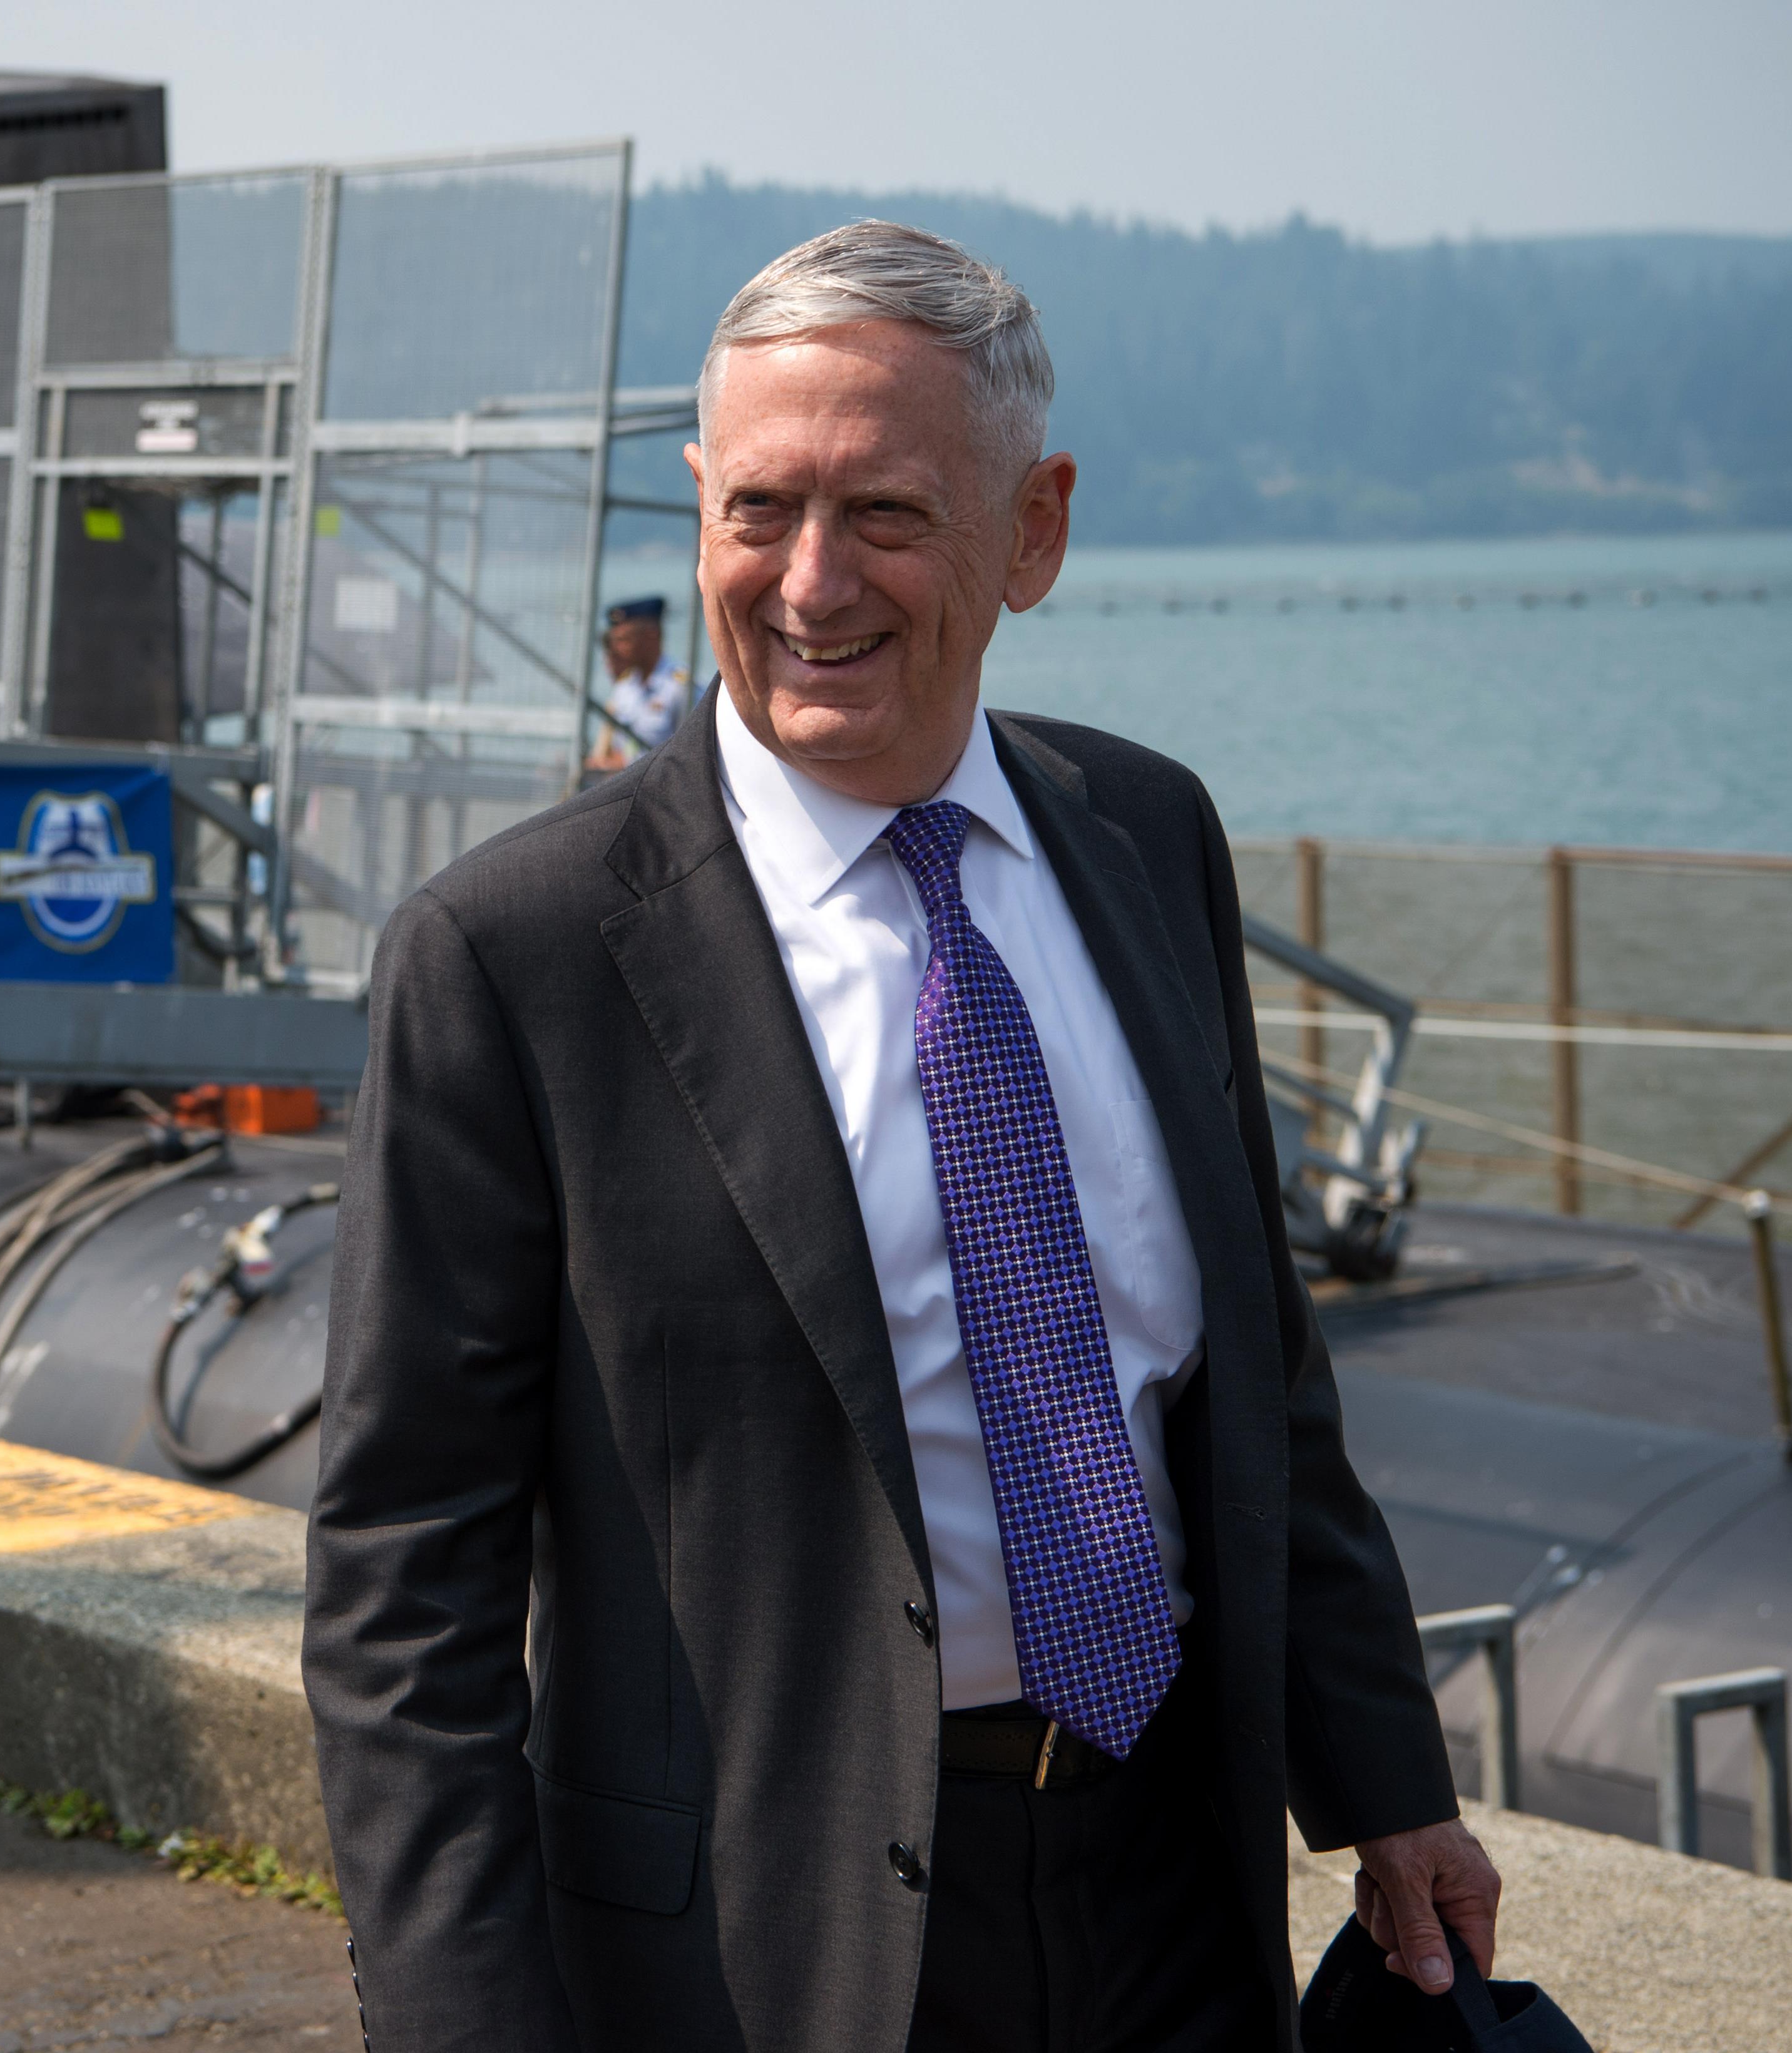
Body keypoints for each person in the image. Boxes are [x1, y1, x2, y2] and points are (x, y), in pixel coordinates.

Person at [303, 220, 1497, 2053]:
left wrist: (1378, 1770)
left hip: (1171, 1881)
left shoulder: (1146, 835)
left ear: (1031, 530)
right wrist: (464, 2018)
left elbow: (1256, 1364)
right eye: (755, 508)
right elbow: (407, 1573)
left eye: (881, 514)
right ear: (697, 503)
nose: (804, 581)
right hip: (767, 1947)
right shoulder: (512, 953)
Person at [582, 595, 690, 773]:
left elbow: (689, 755)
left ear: (651, 636)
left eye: (624, 640)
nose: (616, 649)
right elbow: (617, 748)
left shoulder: (679, 687)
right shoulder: (624, 688)